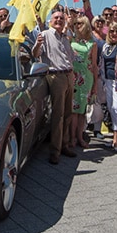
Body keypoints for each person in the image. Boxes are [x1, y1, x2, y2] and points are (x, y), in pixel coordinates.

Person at [32, 10, 77, 164]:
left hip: (69, 75)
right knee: (58, 115)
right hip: (55, 76)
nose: (59, 20)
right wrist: (37, 44)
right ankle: (55, 150)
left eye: (61, 18)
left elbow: (70, 58)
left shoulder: (65, 38)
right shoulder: (44, 35)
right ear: (50, 21)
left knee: (68, 113)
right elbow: (35, 53)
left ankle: (64, 144)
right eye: (56, 18)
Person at [69, 16, 98, 150]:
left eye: (80, 23)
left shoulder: (92, 44)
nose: (77, 25)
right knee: (73, 110)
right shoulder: (71, 39)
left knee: (82, 111)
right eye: (76, 23)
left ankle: (80, 136)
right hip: (73, 77)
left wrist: (95, 85)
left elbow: (94, 65)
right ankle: (72, 137)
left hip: (86, 78)